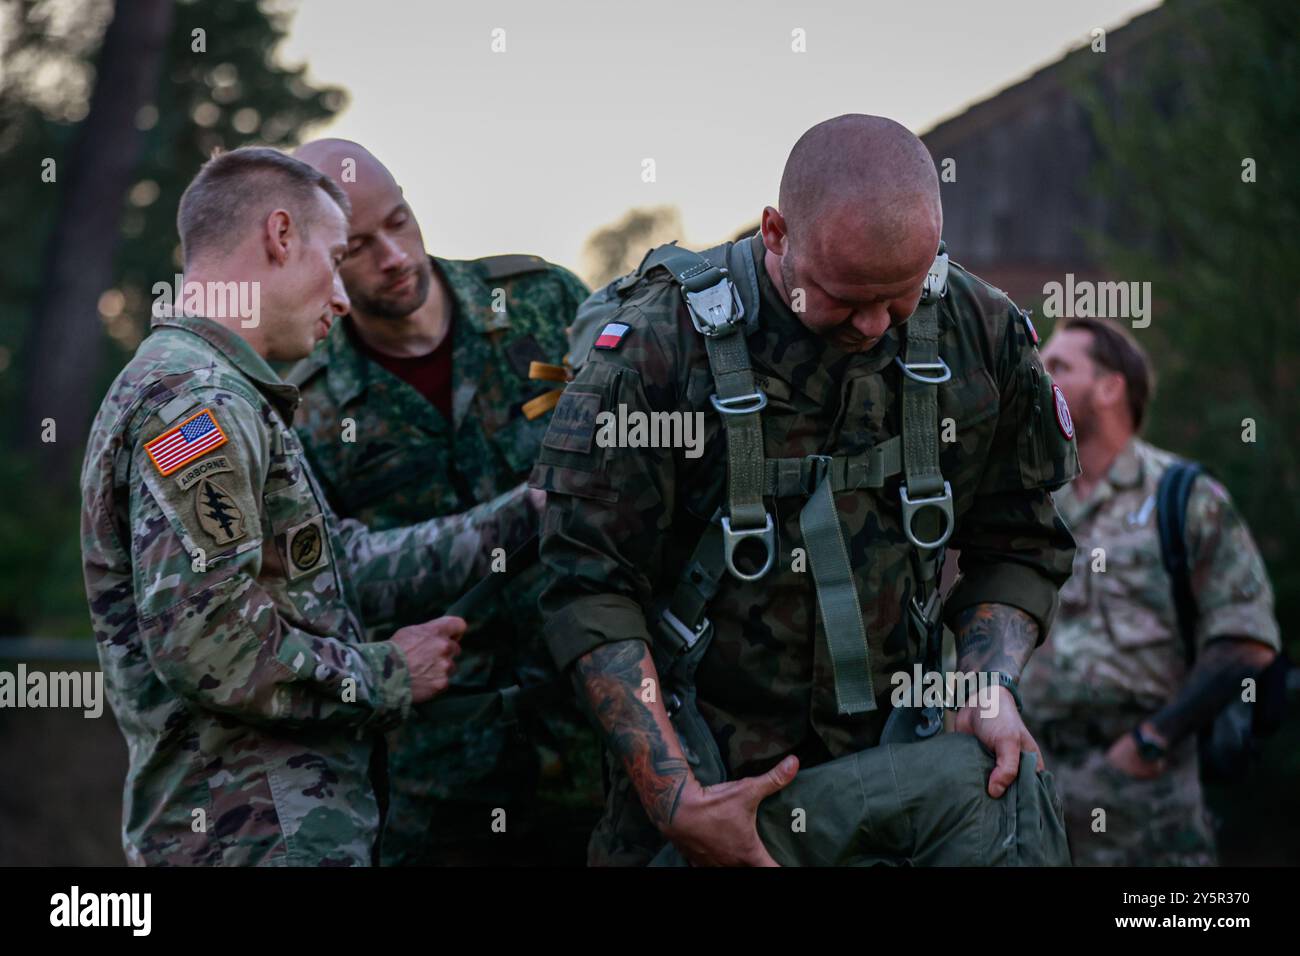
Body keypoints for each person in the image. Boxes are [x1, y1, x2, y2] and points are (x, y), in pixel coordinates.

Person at [530, 114, 1080, 866]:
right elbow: (587, 585)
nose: (874, 324)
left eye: (902, 296)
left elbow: (1021, 541)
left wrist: (989, 685)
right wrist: (675, 796)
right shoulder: (658, 349)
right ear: (776, 232)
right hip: (710, 777)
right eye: (845, 296)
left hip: (900, 761)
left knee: (1016, 807)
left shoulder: (980, 336)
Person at [80, 146, 540, 866]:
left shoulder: (212, 390)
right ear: (280, 235)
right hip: (252, 837)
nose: (343, 296)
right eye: (337, 259)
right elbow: (210, 642)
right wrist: (388, 674)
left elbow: (328, 566)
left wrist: (523, 517)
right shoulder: (199, 405)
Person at [288, 139, 601, 866]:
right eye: (357, 248)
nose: (394, 256)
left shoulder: (541, 300)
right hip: (437, 768)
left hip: (593, 721)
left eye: (400, 221)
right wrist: (526, 508)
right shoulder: (308, 403)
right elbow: (333, 579)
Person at [1019, 316, 1280, 866]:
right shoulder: (1031, 507)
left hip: (1148, 806)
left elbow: (1247, 640)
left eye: (1060, 366)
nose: (1041, 376)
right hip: (1033, 799)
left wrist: (1149, 743)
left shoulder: (1184, 497)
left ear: (1111, 388)